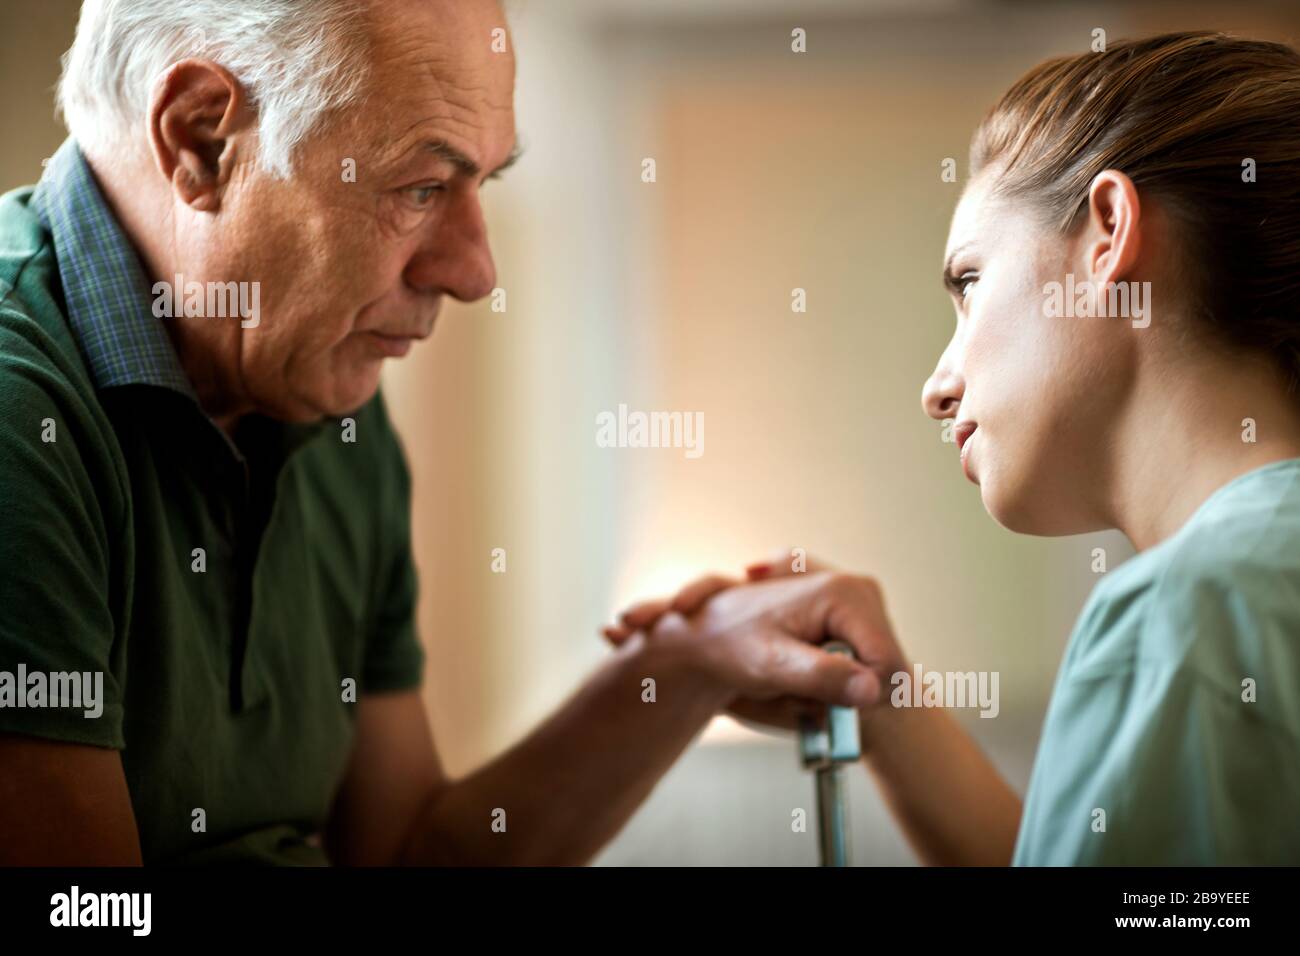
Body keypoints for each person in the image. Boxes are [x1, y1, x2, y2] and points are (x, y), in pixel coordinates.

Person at [0, 0, 880, 865]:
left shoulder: (321, 388)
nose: (474, 272)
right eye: (421, 186)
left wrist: (698, 660)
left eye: (481, 184)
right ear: (201, 138)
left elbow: (406, 852)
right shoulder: (19, 413)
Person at [607, 31, 1300, 865]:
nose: (936, 388)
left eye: (970, 283)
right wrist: (882, 700)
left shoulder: (1190, 613)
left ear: (1109, 233)